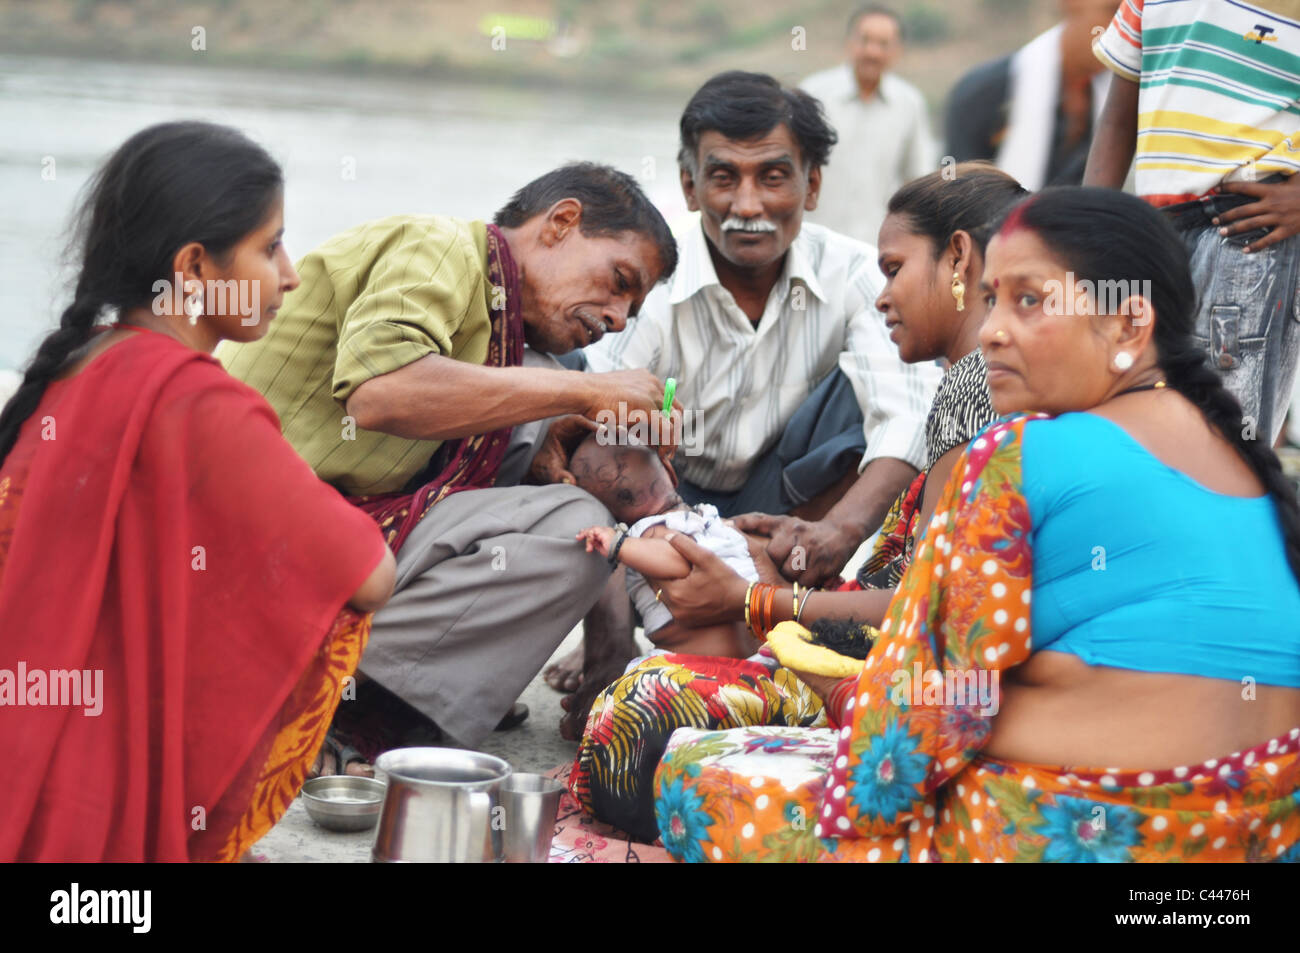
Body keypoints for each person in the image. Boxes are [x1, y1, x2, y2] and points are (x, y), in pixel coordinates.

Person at [654, 187, 1300, 863]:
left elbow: (921, 719)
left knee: (697, 776)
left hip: (1095, 829)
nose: (992, 328)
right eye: (993, 299)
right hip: (1260, 833)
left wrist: (857, 820)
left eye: (1030, 300)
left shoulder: (1022, 453)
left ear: (1129, 326)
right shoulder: (1248, 464)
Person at [571, 164, 1027, 841]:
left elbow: (929, 612)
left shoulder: (978, 393)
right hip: (894, 658)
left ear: (958, 258)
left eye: (896, 268)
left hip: (914, 687)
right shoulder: (977, 385)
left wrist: (753, 603)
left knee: (637, 711)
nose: (881, 297)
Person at [0, 121, 396, 862]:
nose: (291, 274)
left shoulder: (77, 368)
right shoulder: (194, 402)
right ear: (194, 265)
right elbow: (370, 573)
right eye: (269, 245)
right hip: (95, 813)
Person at [220, 163, 679, 754]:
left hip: (339, 529)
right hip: (247, 537)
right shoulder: (437, 246)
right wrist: (588, 391)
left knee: (574, 520)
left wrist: (613, 645)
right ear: (561, 223)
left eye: (632, 310)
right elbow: (380, 393)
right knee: (558, 467)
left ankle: (364, 692)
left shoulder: (510, 336)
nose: (617, 317)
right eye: (619, 281)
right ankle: (321, 691)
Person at [548, 71, 942, 728]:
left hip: (780, 507)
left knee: (877, 392)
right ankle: (612, 642)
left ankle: (775, 616)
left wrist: (840, 532)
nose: (748, 204)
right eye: (724, 177)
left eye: (774, 177)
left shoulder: (852, 272)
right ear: (689, 185)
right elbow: (588, 419)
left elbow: (904, 414)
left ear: (812, 185)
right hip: (663, 496)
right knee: (595, 438)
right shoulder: (652, 277)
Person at [1086, 0, 1300, 444]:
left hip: (1249, 231)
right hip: (1155, 234)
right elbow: (1117, 119)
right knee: (1147, 424)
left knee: (1222, 441)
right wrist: (1084, 231)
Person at [572, 431, 765, 660]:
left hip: (695, 673)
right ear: (670, 473)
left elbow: (682, 560)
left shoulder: (647, 532)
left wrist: (619, 544)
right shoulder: (710, 518)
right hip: (757, 664)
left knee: (621, 692)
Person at [944, 0, 1117, 189]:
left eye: (1136, 19)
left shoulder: (1133, 98)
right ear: (1070, 4)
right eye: (1114, 11)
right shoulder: (982, 92)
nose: (1126, 28)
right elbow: (954, 193)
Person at [801, 5, 936, 243]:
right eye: (865, 40)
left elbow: (918, 178)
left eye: (883, 44)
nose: (872, 52)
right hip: (813, 240)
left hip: (876, 248)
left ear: (898, 50)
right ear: (849, 43)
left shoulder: (909, 103)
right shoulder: (814, 94)